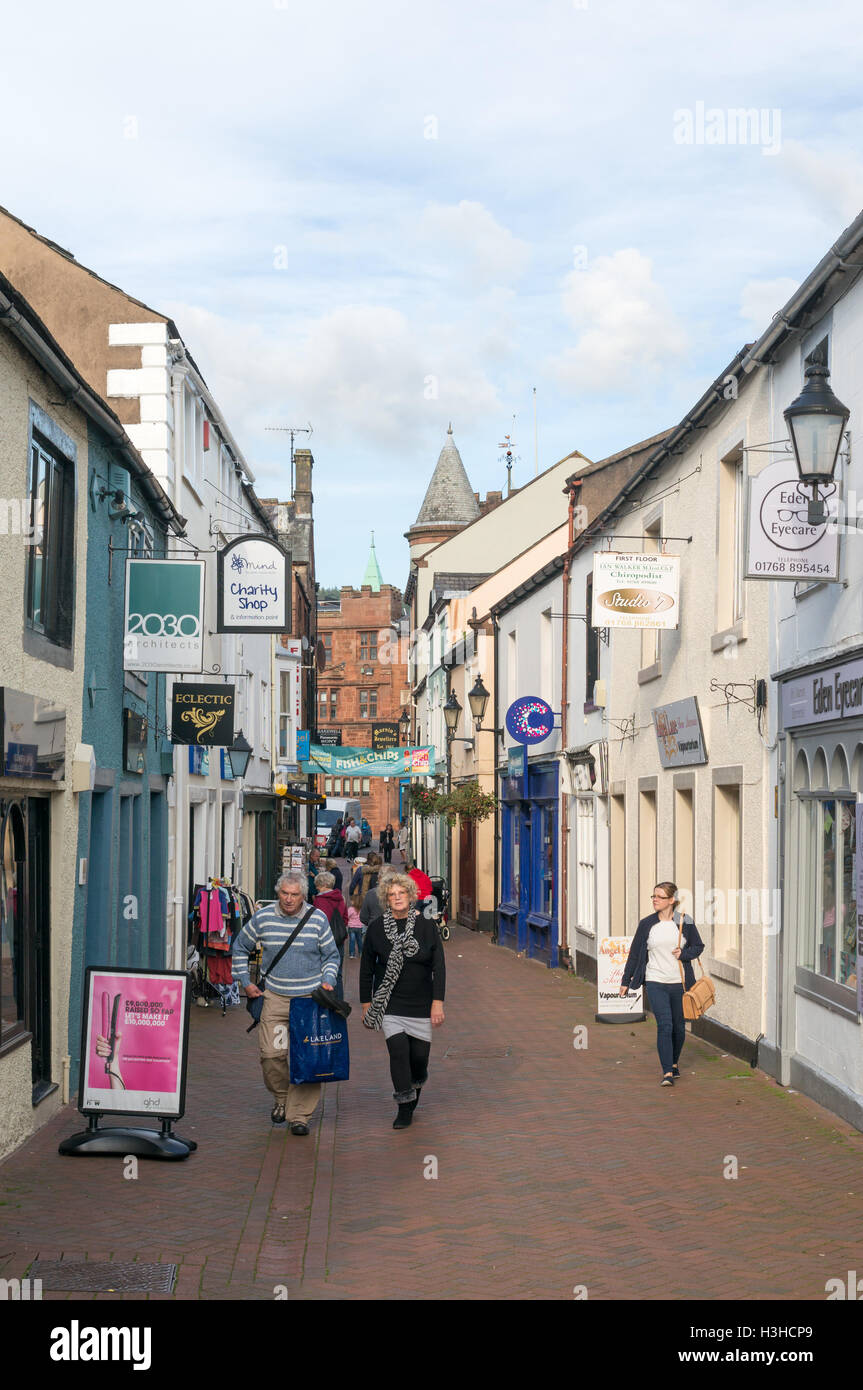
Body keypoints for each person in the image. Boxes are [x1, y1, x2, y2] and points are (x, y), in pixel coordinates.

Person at [232, 873, 339, 1133]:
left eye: (295, 894)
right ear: (278, 892)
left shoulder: (317, 919)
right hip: (275, 999)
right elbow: (240, 947)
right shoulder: (263, 917)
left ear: (304, 895)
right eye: (284, 894)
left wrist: (328, 979)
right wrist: (246, 982)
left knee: (308, 1060)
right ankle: (282, 1098)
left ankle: (300, 1115)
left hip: (309, 1001)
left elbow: (331, 955)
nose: (289, 899)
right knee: (271, 1055)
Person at [360, 872, 446, 1130]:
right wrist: (367, 1003)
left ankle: (416, 1084)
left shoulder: (426, 925)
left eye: (402, 893)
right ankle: (404, 1106)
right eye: (392, 894)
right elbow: (366, 969)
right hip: (390, 1003)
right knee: (398, 1052)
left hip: (421, 1001)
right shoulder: (376, 929)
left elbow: (438, 966)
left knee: (419, 1058)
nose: (397, 898)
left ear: (410, 896)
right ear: (386, 899)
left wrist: (437, 1002)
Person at [619, 881, 705, 1087]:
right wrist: (625, 980)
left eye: (659, 896)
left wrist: (684, 954)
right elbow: (634, 955)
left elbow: (698, 946)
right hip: (655, 980)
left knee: (679, 1028)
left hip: (680, 983)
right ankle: (667, 1071)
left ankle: (674, 1062)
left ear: (672, 901)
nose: (655, 900)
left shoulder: (685, 922)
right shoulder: (646, 924)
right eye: (653, 896)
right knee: (664, 1025)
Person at [313, 870, 348, 1001]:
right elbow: (345, 918)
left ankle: (325, 999)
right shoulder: (340, 898)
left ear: (320, 885)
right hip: (339, 939)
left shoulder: (319, 901)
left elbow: (318, 923)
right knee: (337, 972)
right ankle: (338, 1000)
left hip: (324, 940)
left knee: (323, 970)